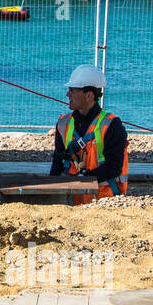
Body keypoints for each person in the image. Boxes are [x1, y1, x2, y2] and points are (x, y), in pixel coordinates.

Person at [50, 64, 130, 205]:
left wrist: (83, 179)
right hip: (70, 201)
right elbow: (57, 165)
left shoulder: (111, 124)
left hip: (103, 201)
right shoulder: (63, 123)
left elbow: (114, 166)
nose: (68, 94)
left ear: (89, 95)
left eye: (72, 90)